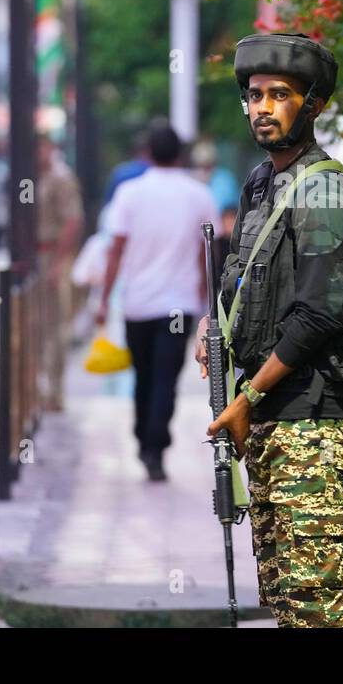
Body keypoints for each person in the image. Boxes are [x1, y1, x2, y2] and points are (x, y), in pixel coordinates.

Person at [198, 32, 343, 628]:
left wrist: (246, 400)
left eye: (279, 95)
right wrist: (216, 327)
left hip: (316, 422)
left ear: (313, 105)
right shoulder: (260, 184)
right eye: (254, 96)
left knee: (316, 608)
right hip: (272, 418)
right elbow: (243, 281)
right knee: (286, 603)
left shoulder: (325, 189)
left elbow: (317, 315)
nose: (262, 108)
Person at [95, 120, 218, 481]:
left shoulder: (129, 193)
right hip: (180, 304)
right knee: (166, 378)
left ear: (147, 152)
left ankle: (144, 439)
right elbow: (206, 251)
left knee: (143, 375)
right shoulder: (199, 194)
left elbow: (115, 250)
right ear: (180, 154)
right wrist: (206, 300)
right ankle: (155, 446)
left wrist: (104, 299)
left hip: (138, 304)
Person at [37, 132, 85, 412]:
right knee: (37, 326)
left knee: (55, 326)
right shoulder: (33, 178)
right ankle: (38, 390)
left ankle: (54, 391)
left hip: (54, 256)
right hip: (38, 256)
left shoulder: (60, 178)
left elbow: (72, 221)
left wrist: (58, 262)